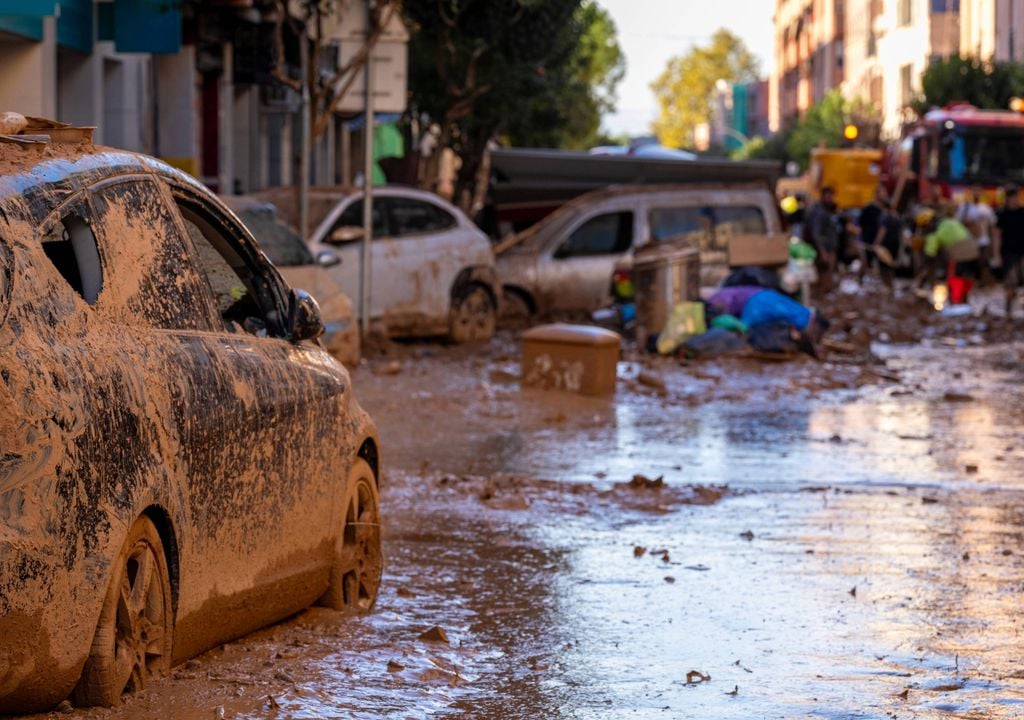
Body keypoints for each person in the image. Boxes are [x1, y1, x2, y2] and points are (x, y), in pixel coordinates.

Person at [956, 186, 997, 284]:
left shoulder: (986, 209)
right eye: (974, 191)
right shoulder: (964, 207)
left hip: (983, 242)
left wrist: (992, 245)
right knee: (967, 266)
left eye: (978, 191)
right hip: (968, 242)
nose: (976, 194)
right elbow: (957, 223)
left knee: (982, 264)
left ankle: (983, 284)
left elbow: (991, 226)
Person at [994, 185, 1024, 316]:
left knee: (1020, 279)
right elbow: (996, 235)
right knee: (1010, 281)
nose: (1014, 200)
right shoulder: (1002, 214)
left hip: (1022, 251)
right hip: (1008, 251)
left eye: (1015, 197)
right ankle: (1008, 310)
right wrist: (996, 255)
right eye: (1011, 197)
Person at [804, 187, 839, 291]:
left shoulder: (828, 210)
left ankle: (825, 293)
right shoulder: (819, 212)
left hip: (829, 246)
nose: (830, 199)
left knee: (828, 271)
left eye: (831, 196)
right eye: (828, 196)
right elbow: (816, 233)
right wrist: (822, 251)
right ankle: (822, 293)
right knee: (823, 271)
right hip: (823, 248)